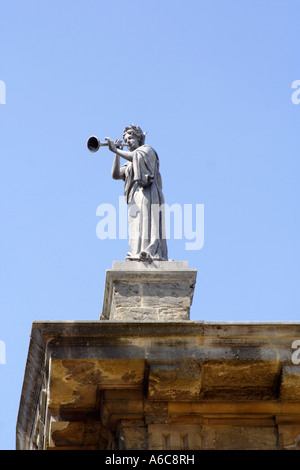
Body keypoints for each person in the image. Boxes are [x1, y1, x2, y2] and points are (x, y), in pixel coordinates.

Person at [105, 124, 168, 261]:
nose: (127, 141)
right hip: (134, 197)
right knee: (136, 226)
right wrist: (116, 153)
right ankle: (137, 252)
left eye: (130, 138)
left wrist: (116, 150)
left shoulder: (147, 151)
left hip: (148, 192)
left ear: (139, 139)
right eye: (126, 139)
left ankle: (149, 251)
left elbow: (135, 156)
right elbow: (115, 174)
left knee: (147, 221)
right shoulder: (129, 162)